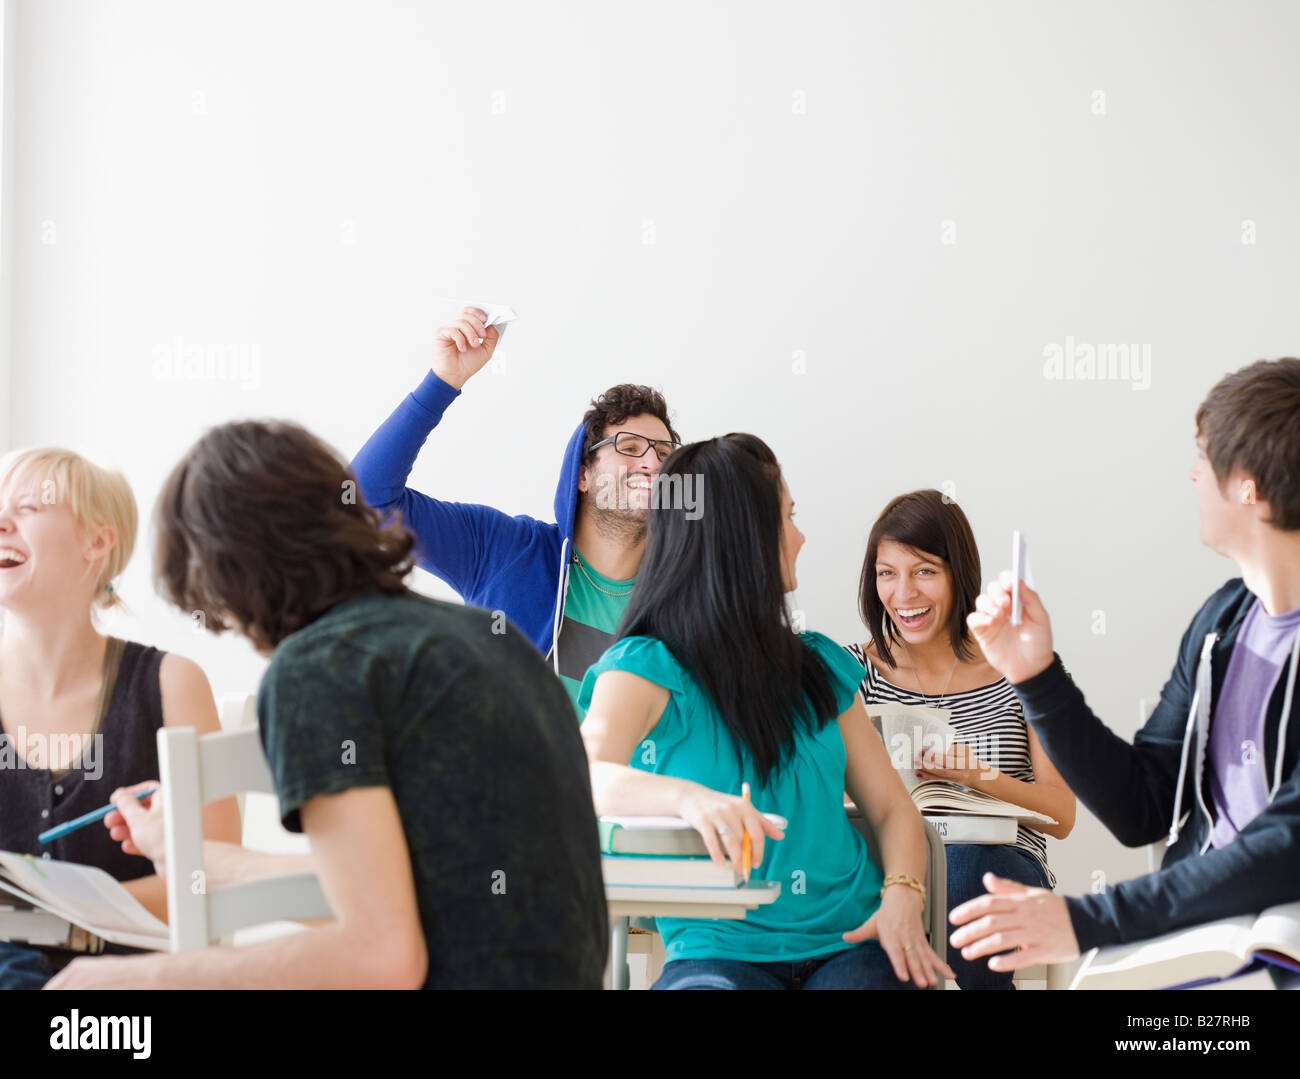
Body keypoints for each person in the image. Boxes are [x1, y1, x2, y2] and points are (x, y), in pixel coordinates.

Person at [47, 420, 608, 989]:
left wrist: (136, 981)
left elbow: (381, 957)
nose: (233, 628)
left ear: (226, 573)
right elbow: (421, 895)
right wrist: (200, 861)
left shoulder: (320, 668)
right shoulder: (492, 640)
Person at [950, 358, 1300, 990]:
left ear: (1249, 487)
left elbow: (1287, 848)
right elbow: (1143, 806)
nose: (1194, 473)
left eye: (1206, 456)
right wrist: (1035, 675)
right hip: (1210, 941)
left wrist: (1085, 920)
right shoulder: (1222, 622)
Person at [580, 433, 955, 990]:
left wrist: (903, 895)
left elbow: (895, 811)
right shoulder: (646, 666)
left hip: (851, 944)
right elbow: (582, 774)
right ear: (744, 537)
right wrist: (689, 800)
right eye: (787, 517)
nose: (800, 537)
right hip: (716, 954)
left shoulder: (821, 667)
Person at [350, 307, 682, 715]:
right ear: (582, 474)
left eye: (664, 454)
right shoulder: (506, 552)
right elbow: (366, 497)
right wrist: (443, 381)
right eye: (629, 448)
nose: (652, 464)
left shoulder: (684, 597)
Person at [0, 448, 239, 989]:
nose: (2, 521)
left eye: (31, 507)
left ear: (97, 543)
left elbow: (216, 881)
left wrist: (46, 910)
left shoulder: (171, 683)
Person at [844, 490, 1075, 989]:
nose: (904, 594)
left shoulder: (1019, 665)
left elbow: (1062, 816)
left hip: (997, 867)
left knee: (966, 867)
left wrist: (975, 775)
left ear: (958, 574)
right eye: (888, 573)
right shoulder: (850, 672)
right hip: (892, 870)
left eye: (924, 570)